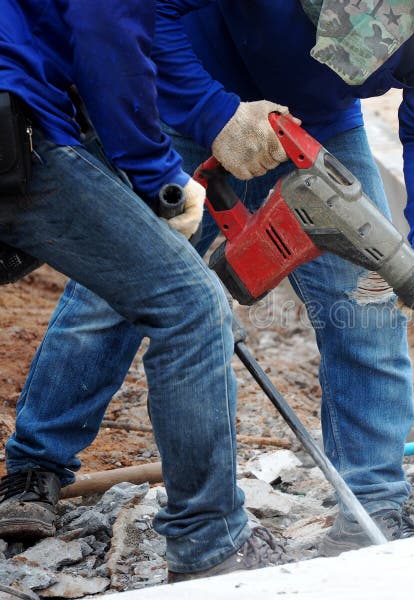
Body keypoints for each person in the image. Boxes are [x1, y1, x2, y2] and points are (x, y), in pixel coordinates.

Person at [5, 0, 414, 559]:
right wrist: (215, 115)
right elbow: (146, 13)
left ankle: (373, 502)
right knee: (114, 293)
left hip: (317, 126)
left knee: (366, 299)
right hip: (190, 101)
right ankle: (35, 469)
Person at [0, 0, 287, 582]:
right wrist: (159, 176)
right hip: (17, 122)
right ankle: (210, 542)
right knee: (192, 308)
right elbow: (108, 33)